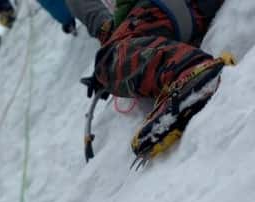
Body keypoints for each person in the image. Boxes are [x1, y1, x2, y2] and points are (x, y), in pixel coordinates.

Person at [69, 0, 231, 160]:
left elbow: (103, 24)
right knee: (111, 57)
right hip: (186, 11)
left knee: (106, 61)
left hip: (164, 9)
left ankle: (189, 70)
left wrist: (108, 66)